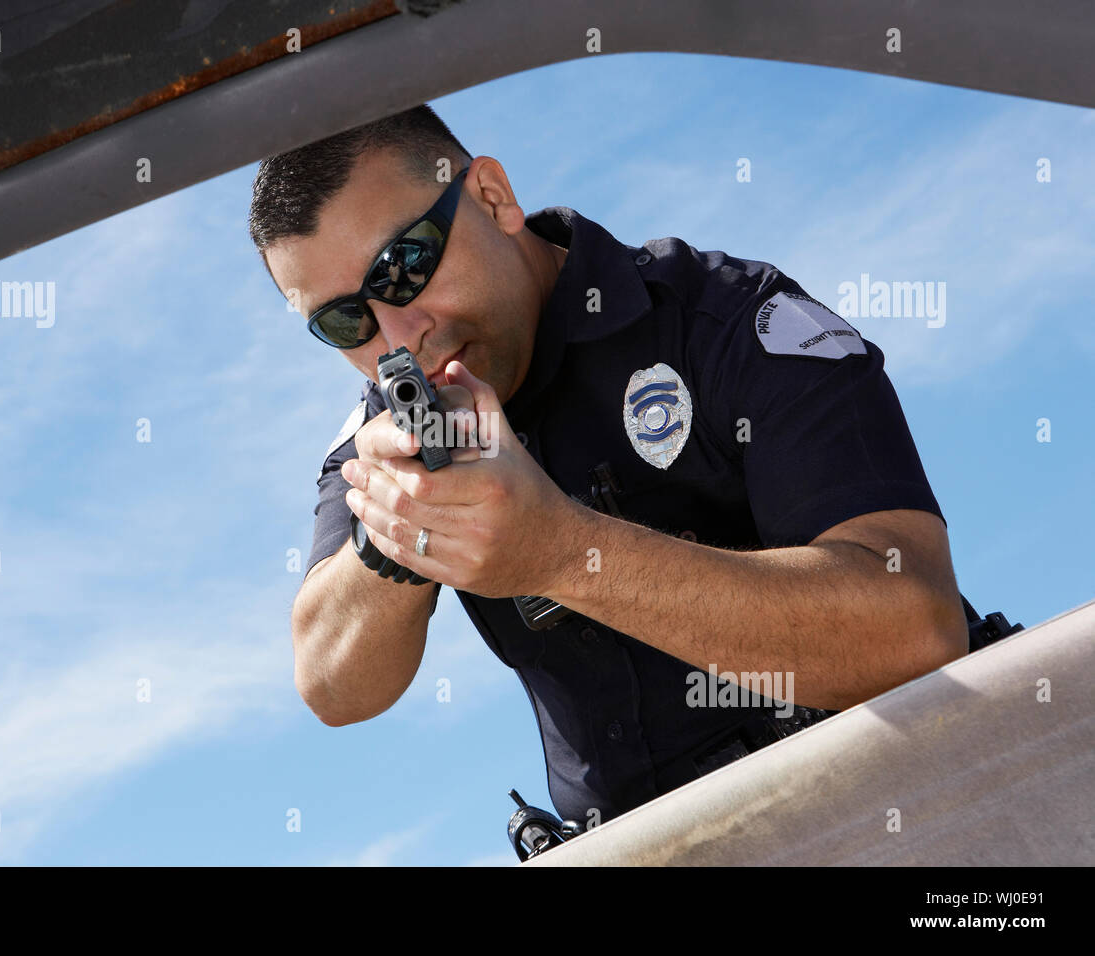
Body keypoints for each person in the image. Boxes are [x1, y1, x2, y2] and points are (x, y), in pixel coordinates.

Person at [248, 104, 970, 826]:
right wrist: (393, 534)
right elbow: (332, 686)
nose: (401, 335)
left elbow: (914, 629)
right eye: (346, 320)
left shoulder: (727, 318)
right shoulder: (383, 433)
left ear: (493, 197)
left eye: (403, 268)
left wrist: (562, 554)